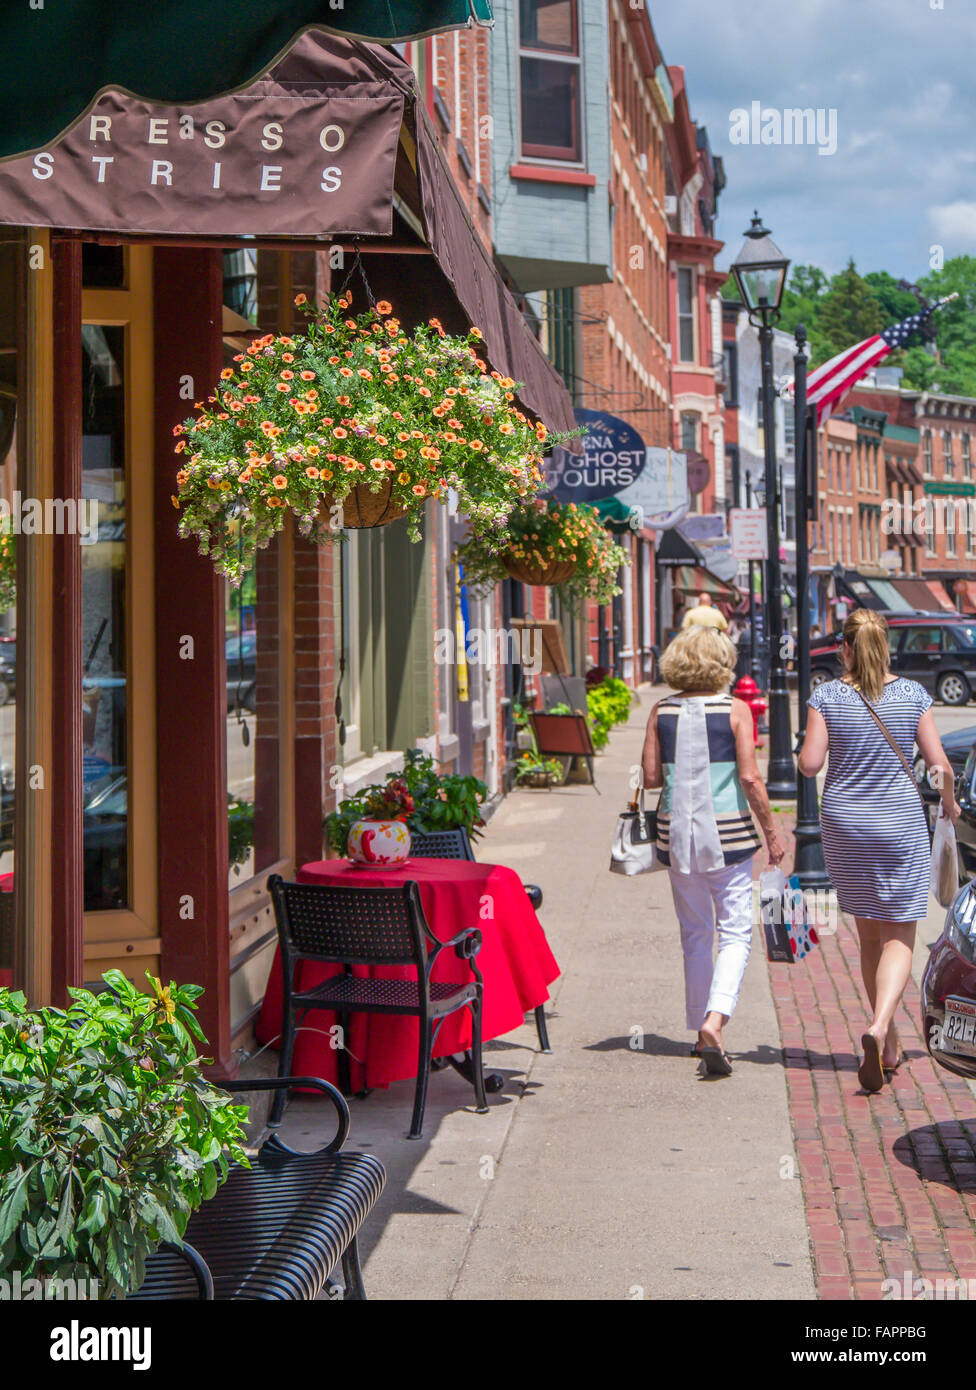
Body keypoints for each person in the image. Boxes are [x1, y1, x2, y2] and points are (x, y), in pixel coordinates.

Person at [797, 607, 959, 1093]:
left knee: (869, 936)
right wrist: (949, 803)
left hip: (846, 827)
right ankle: (881, 1026)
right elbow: (939, 765)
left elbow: (809, 765)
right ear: (885, 647)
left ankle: (886, 1045)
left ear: (844, 649)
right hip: (898, 827)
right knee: (900, 937)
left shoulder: (827, 696)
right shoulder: (912, 694)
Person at [642, 626, 785, 1076]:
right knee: (736, 933)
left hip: (676, 837)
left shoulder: (661, 710)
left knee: (695, 934)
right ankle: (715, 1020)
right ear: (722, 662)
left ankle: (698, 1029)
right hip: (730, 837)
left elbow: (650, 777)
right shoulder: (735, 710)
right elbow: (750, 778)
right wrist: (772, 833)